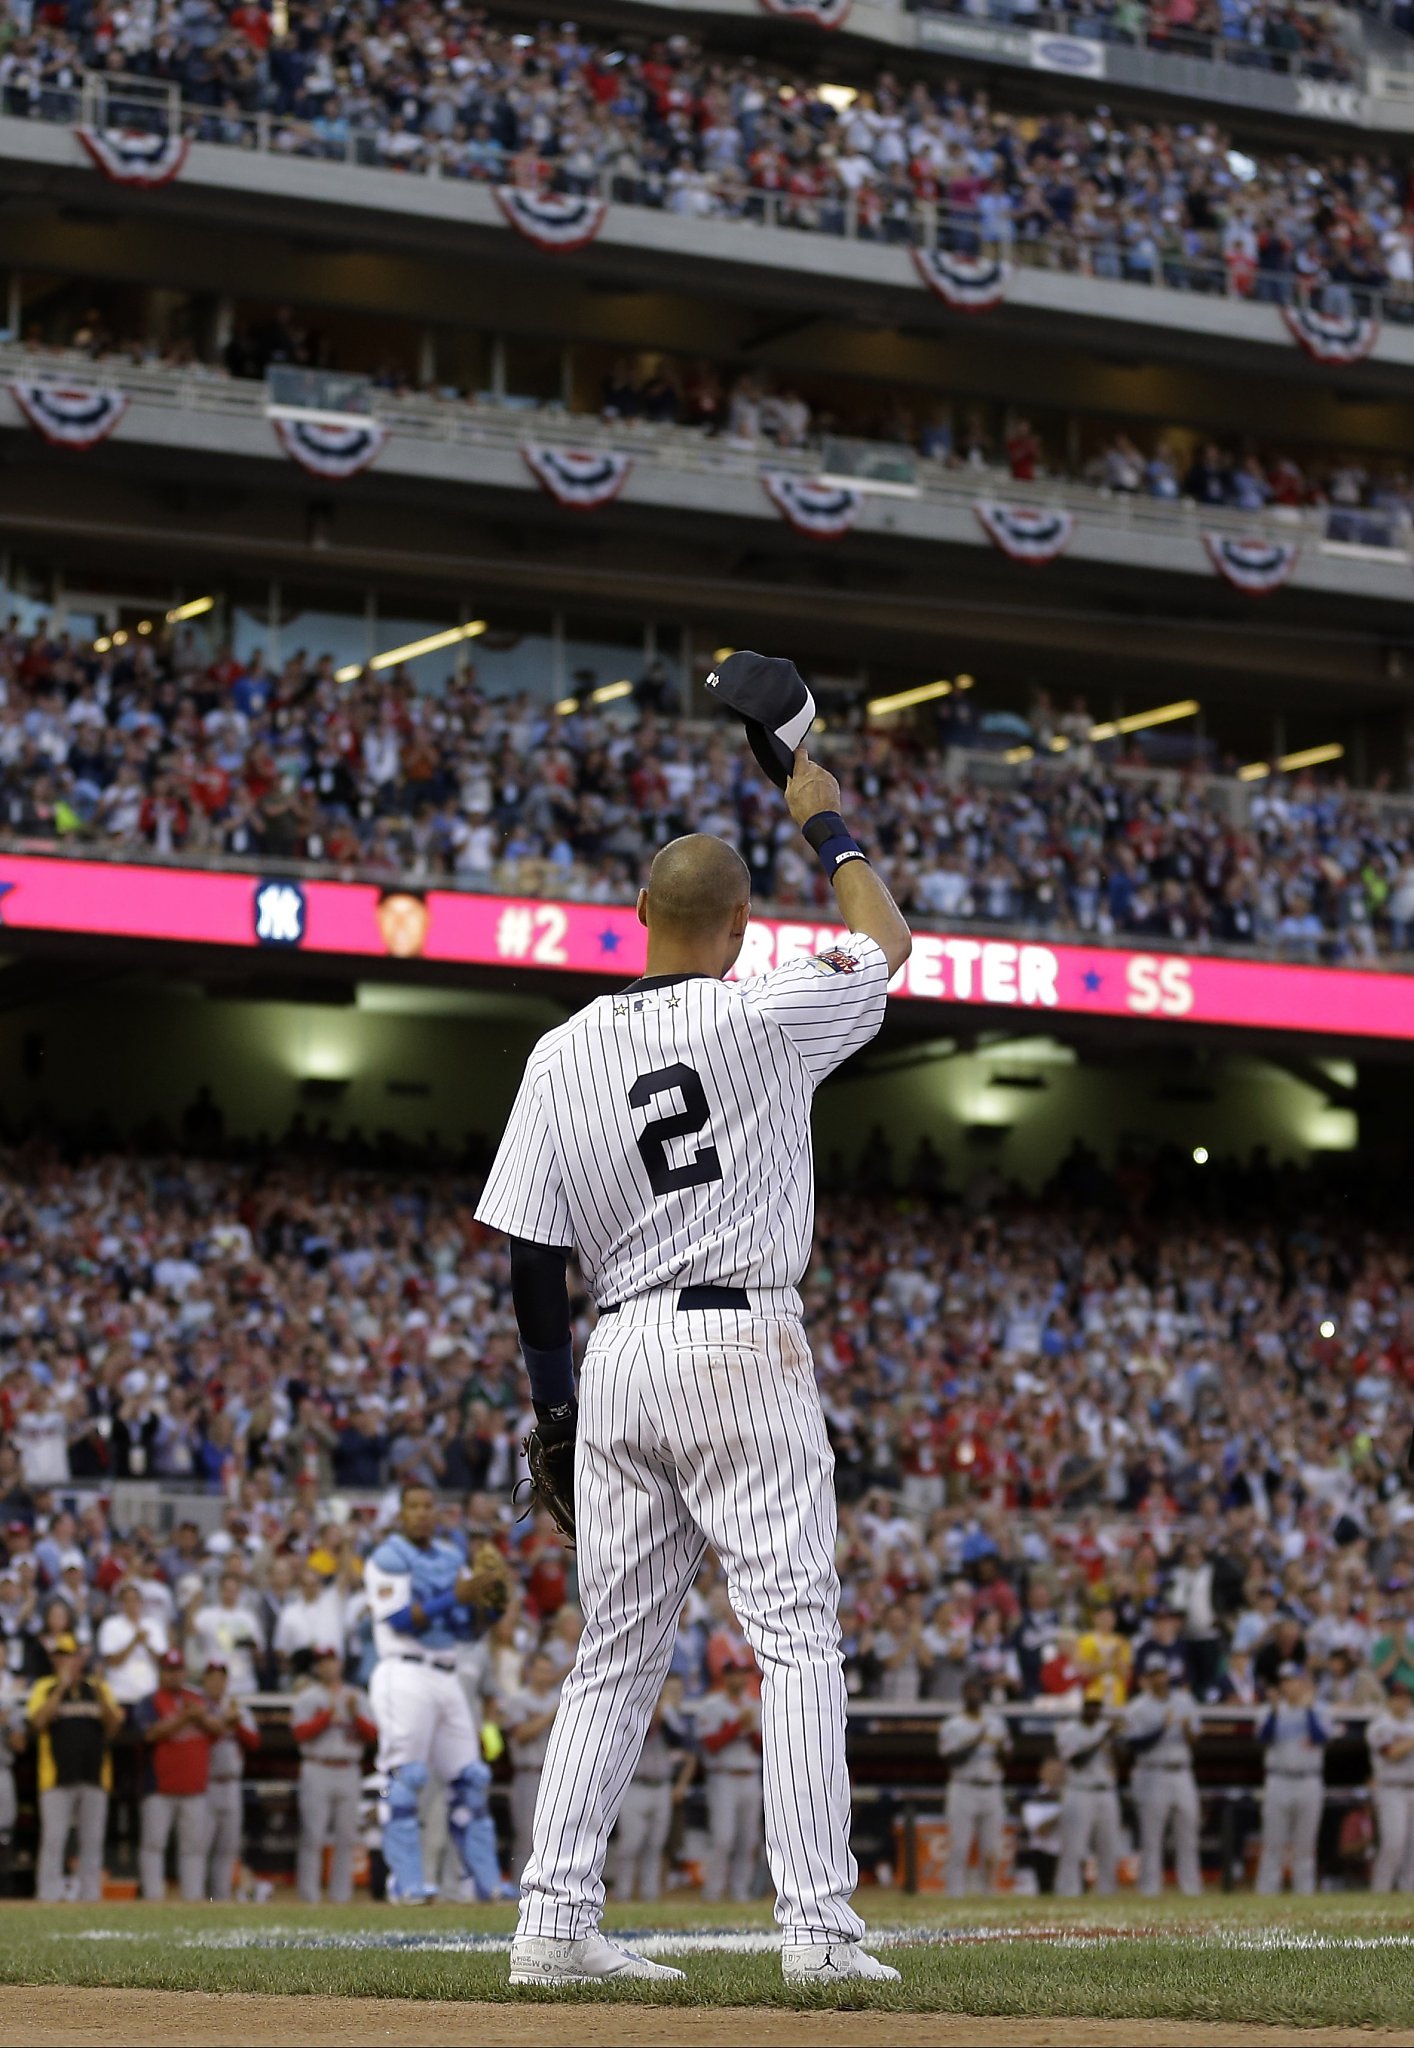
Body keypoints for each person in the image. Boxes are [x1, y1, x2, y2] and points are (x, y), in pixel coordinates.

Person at [475, 722, 911, 1990]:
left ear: (637, 916)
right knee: (794, 1636)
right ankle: (819, 1928)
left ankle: (551, 1924)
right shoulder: (764, 1007)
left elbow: (525, 1256)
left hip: (613, 1352)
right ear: (734, 928)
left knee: (613, 1646)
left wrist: (553, 1413)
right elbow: (888, 945)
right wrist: (821, 816)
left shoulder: (559, 1052)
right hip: (738, 1334)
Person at [364, 1481, 510, 1903]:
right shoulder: (387, 1557)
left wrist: (492, 1605)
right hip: (402, 1670)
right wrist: (458, 1594)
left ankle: (485, 1884)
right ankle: (405, 1884)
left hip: (447, 1670)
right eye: (415, 1506)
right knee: (405, 1778)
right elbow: (398, 1620)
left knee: (472, 1778)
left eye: (430, 1505)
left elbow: (467, 1626)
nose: (424, 1513)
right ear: (401, 1513)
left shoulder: (451, 1558)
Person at [27, 1633, 123, 1902]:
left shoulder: (98, 1688)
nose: (63, 1661)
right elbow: (37, 1723)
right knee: (53, 1840)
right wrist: (61, 1688)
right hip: (55, 1777)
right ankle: (48, 1895)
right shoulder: (44, 1687)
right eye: (58, 1656)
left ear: (79, 1659)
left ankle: (90, 1897)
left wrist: (101, 1692)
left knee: (91, 1843)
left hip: (94, 1775)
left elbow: (114, 1728)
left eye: (68, 1655)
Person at [292, 1645, 378, 1904]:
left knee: (347, 1836)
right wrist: (327, 1715)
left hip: (348, 1769)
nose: (329, 1666)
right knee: (313, 1835)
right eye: (323, 1662)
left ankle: (341, 1896)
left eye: (332, 1660)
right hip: (317, 1766)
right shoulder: (308, 1697)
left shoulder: (356, 1696)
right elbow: (299, 1734)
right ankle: (309, 1897)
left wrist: (353, 1714)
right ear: (317, 1668)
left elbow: (372, 1735)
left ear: (340, 1664)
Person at [135, 1647, 217, 1902]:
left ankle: (193, 1898)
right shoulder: (149, 1701)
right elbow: (150, 1734)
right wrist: (185, 1717)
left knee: (194, 1848)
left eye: (178, 1670)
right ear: (161, 1673)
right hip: (159, 1786)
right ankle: (153, 1898)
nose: (174, 1675)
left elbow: (220, 1728)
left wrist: (199, 1716)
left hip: (194, 1786)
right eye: (169, 1670)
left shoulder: (198, 1699)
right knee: (153, 1845)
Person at [612, 1677, 695, 1904]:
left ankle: (650, 1894)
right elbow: (642, 1734)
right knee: (631, 1843)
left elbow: (682, 1742)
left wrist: (667, 1716)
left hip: (662, 1786)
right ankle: (623, 1893)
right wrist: (654, 1718)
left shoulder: (670, 1719)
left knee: (655, 1844)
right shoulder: (631, 1716)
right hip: (635, 1785)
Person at [1124, 1659, 1202, 1897]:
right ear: (1146, 1678)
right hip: (1152, 1772)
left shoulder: (1184, 1700)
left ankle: (1191, 1889)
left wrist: (1187, 1728)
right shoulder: (1137, 1707)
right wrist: (1162, 1727)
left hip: (1181, 1771)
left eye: (1162, 1673)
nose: (1159, 1679)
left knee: (1188, 1833)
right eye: (1154, 1674)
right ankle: (1149, 1889)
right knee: (1151, 1836)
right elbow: (1134, 1744)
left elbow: (1195, 1740)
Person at [1255, 1664, 1329, 1896]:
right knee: (1272, 1843)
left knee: (1305, 1845)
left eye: (1293, 1680)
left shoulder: (1319, 1709)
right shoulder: (1270, 1710)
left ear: (1304, 1682)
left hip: (1309, 1779)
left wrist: (1308, 1711)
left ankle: (1304, 1894)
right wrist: (1275, 1712)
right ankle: (1267, 1894)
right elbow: (1263, 1738)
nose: (1289, 1685)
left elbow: (1321, 1738)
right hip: (1279, 1779)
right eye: (1285, 1681)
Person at [697, 1656, 765, 1904]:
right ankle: (713, 1892)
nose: (740, 1678)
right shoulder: (712, 1705)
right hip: (722, 1776)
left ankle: (740, 1891)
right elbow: (710, 1745)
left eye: (743, 1673)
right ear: (725, 1677)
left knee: (749, 1839)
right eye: (735, 1673)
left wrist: (750, 1731)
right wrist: (737, 1726)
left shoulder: (755, 1704)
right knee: (723, 1837)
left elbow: (763, 1747)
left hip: (749, 1776)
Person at [939, 1673, 1011, 1894]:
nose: (975, 1695)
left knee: (991, 1848)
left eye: (978, 1691)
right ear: (964, 1694)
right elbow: (950, 1759)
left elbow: (1007, 1757)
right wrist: (977, 1739)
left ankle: (988, 1893)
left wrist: (999, 1749)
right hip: (963, 1787)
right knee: (959, 1846)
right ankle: (954, 1894)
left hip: (991, 1787)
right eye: (971, 1691)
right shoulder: (953, 1724)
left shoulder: (996, 1722)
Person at [200, 1660, 259, 1902]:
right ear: (204, 1681)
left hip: (231, 1783)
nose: (216, 1683)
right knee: (201, 1846)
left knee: (228, 1847)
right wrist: (225, 1724)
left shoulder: (237, 1708)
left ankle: (220, 1898)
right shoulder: (198, 1708)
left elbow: (254, 1743)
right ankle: (197, 1898)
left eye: (220, 1678)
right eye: (211, 1678)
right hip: (205, 1784)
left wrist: (235, 1724)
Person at [1055, 1687, 1122, 1896]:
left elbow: (1123, 1758)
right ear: (1083, 1707)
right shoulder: (1068, 1730)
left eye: (1097, 1706)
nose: (1093, 1710)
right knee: (1074, 1846)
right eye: (1090, 1706)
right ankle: (1068, 1891)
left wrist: (1117, 1739)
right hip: (1079, 1791)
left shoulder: (1106, 1728)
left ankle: (1107, 1892)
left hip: (1106, 1790)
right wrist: (1103, 1738)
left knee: (1109, 1846)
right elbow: (1077, 1761)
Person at [505, 1650, 564, 1883]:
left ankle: (547, 1890)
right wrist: (551, 1714)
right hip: (527, 1773)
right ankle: (518, 1891)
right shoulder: (518, 1699)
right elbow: (521, 1734)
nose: (544, 1675)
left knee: (554, 1838)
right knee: (526, 1838)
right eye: (540, 1670)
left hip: (555, 1774)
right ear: (530, 1672)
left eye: (549, 1671)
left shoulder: (558, 1697)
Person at [1368, 1678, 1414, 1892]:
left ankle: (1409, 1895)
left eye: (1405, 1697)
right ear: (1389, 1700)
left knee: (1412, 1849)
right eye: (1397, 1697)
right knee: (1393, 1843)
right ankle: (1381, 1890)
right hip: (1391, 1788)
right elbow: (1391, 1753)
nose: (1402, 1701)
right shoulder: (1380, 1725)